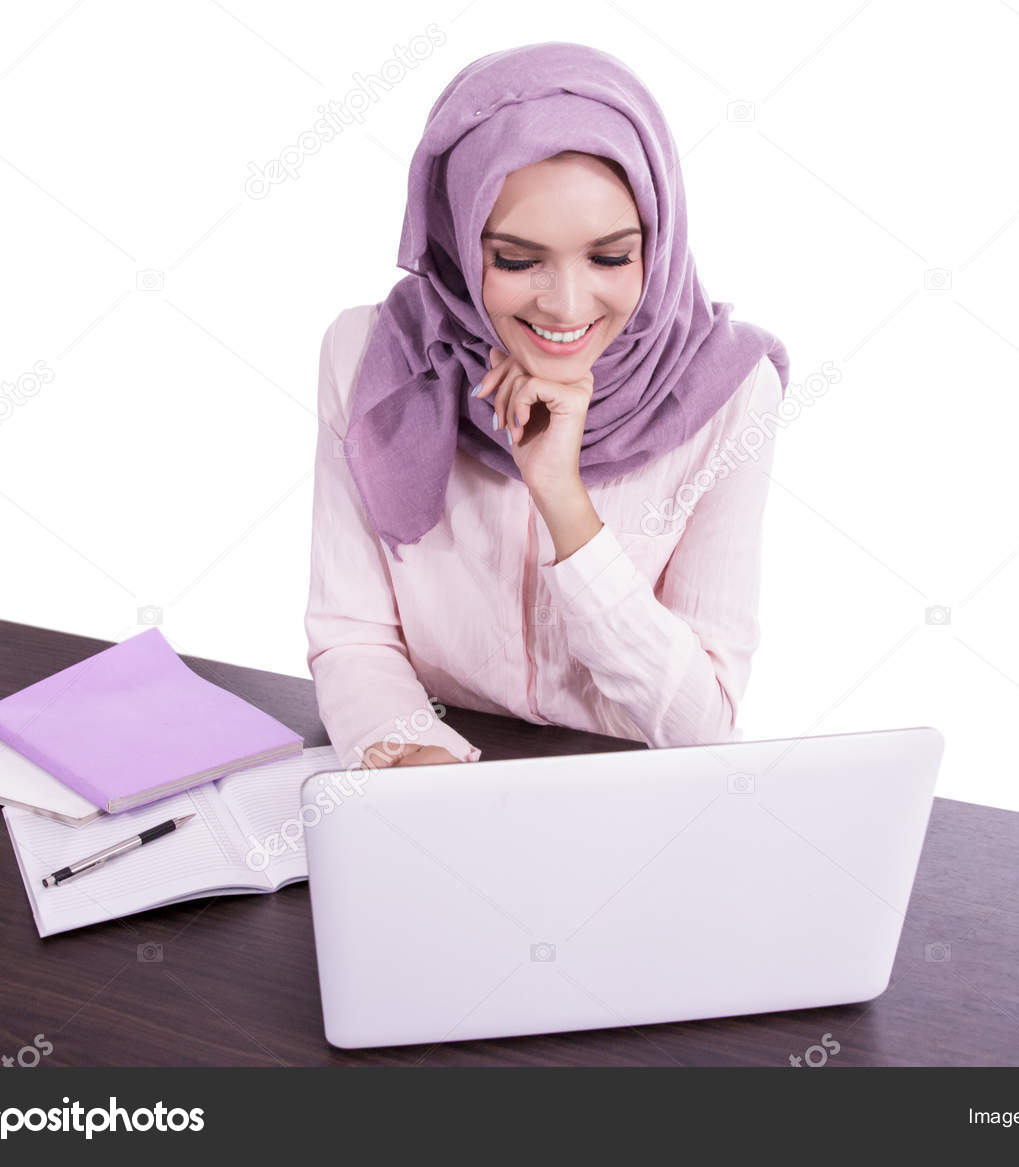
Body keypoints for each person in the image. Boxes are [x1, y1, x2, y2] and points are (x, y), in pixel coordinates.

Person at [305, 41, 791, 769]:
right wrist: (413, 763)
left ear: (657, 242)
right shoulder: (374, 358)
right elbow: (353, 635)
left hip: (632, 814)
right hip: (434, 791)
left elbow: (703, 728)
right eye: (515, 259)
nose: (566, 305)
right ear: (460, 244)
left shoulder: (730, 389)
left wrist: (563, 497)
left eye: (609, 257)